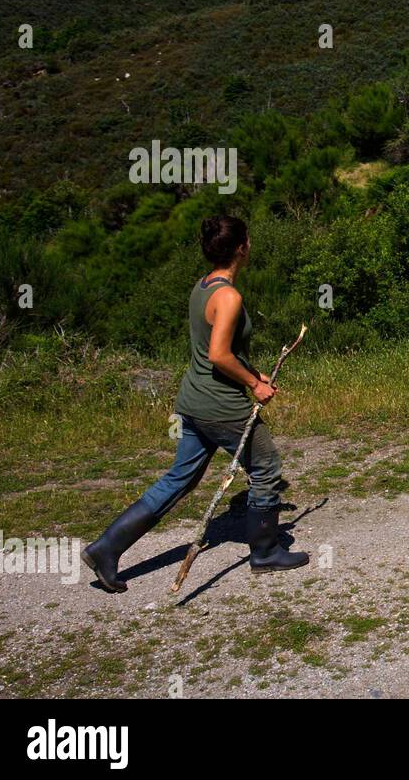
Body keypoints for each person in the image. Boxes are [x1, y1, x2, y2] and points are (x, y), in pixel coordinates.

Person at [83, 216, 308, 592]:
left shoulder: (202, 287)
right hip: (220, 405)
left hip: (192, 399)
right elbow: (219, 354)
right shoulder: (230, 296)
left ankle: (107, 548)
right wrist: (253, 383)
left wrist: (254, 372)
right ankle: (266, 552)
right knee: (266, 465)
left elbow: (212, 350)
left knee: (179, 478)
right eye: (248, 240)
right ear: (241, 247)